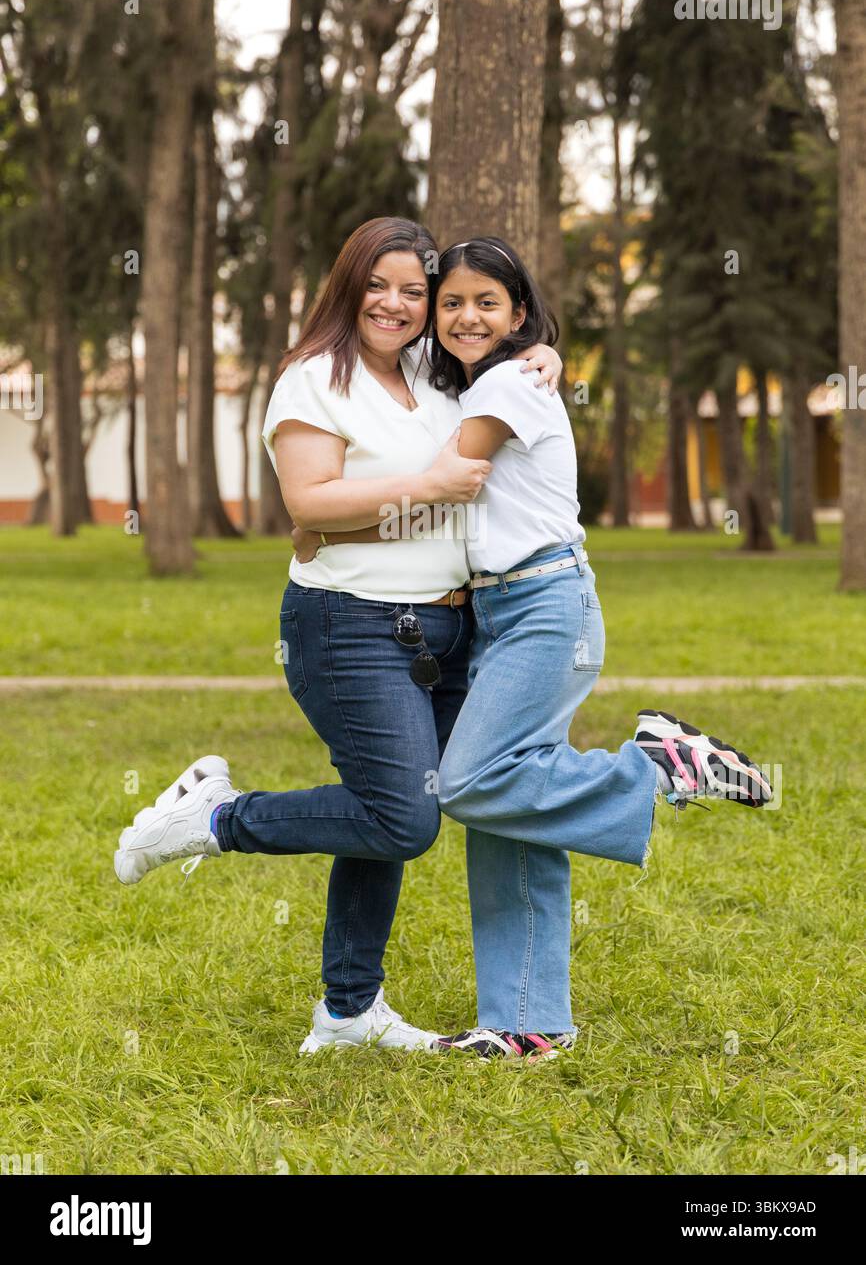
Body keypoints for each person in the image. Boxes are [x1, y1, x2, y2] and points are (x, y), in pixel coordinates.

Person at [113, 217, 563, 1056]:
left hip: (450, 625)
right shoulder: (314, 378)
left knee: (384, 806)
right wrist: (426, 482)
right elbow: (309, 505)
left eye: (414, 291)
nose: (396, 304)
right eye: (378, 285)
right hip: (348, 626)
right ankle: (217, 817)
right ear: (348, 285)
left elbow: (501, 358)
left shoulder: (434, 374)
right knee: (402, 817)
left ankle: (349, 1010)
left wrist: (546, 356)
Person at [415, 236, 772, 1059]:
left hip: (544, 603)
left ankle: (657, 768)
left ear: (518, 313)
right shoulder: (487, 381)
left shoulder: (509, 383)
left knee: (471, 781)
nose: (468, 316)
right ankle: (528, 1024)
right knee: (512, 811)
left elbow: (448, 474)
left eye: (488, 303)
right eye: (453, 303)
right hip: (499, 613)